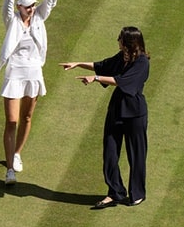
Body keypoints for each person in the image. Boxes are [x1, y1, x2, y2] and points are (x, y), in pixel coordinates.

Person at [62, 26, 150, 208]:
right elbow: (102, 65)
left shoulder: (142, 62)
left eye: (120, 38)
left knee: (137, 154)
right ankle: (115, 192)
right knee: (110, 152)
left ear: (129, 42)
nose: (118, 40)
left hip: (134, 113)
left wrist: (95, 79)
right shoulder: (122, 57)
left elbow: (121, 81)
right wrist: (78, 63)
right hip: (117, 110)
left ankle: (137, 193)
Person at [0, 0, 62, 184]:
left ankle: (17, 154)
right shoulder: (12, 20)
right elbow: (7, 7)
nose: (32, 9)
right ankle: (9, 171)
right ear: (19, 8)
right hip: (15, 73)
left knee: (27, 117)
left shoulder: (39, 17)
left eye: (33, 5)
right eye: (28, 6)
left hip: (34, 73)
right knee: (12, 121)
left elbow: (50, 2)